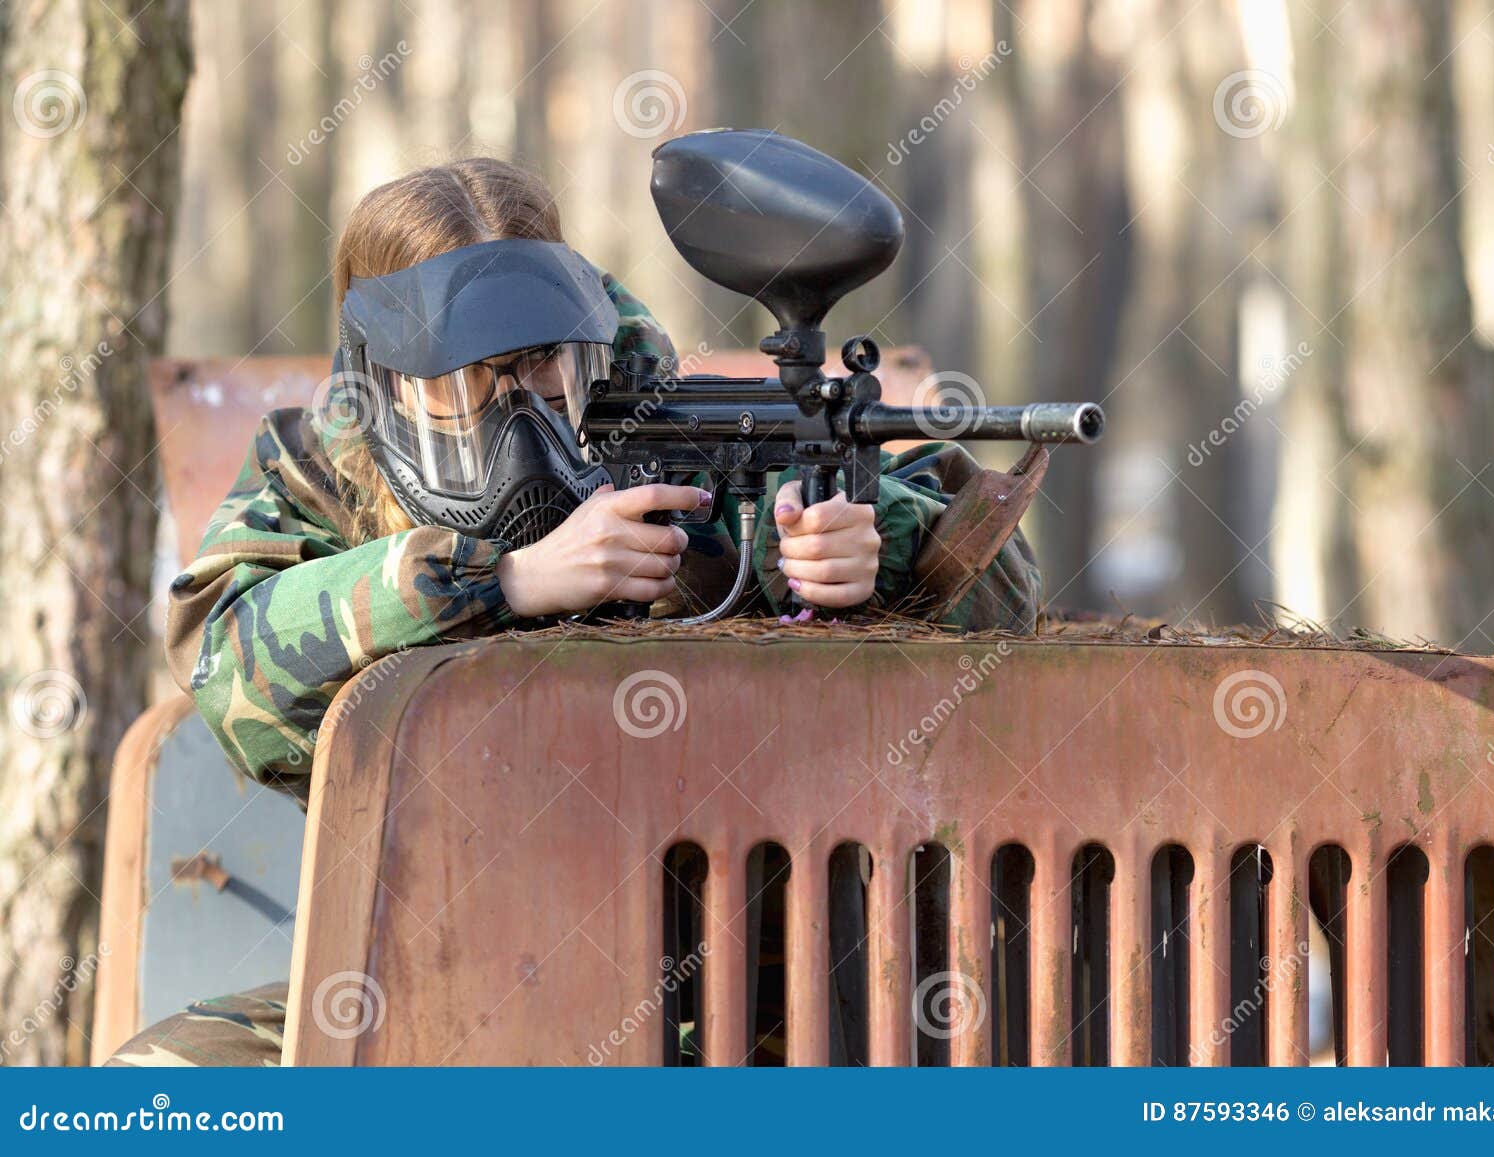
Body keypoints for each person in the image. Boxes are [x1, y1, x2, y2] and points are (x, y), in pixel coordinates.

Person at [106, 157, 1039, 1067]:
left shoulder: (680, 432)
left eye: (542, 361)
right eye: (470, 376)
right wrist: (502, 581)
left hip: (719, 1008)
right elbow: (228, 671)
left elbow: (1010, 599)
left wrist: (872, 554)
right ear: (390, 379)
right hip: (426, 984)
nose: (519, 408)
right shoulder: (324, 472)